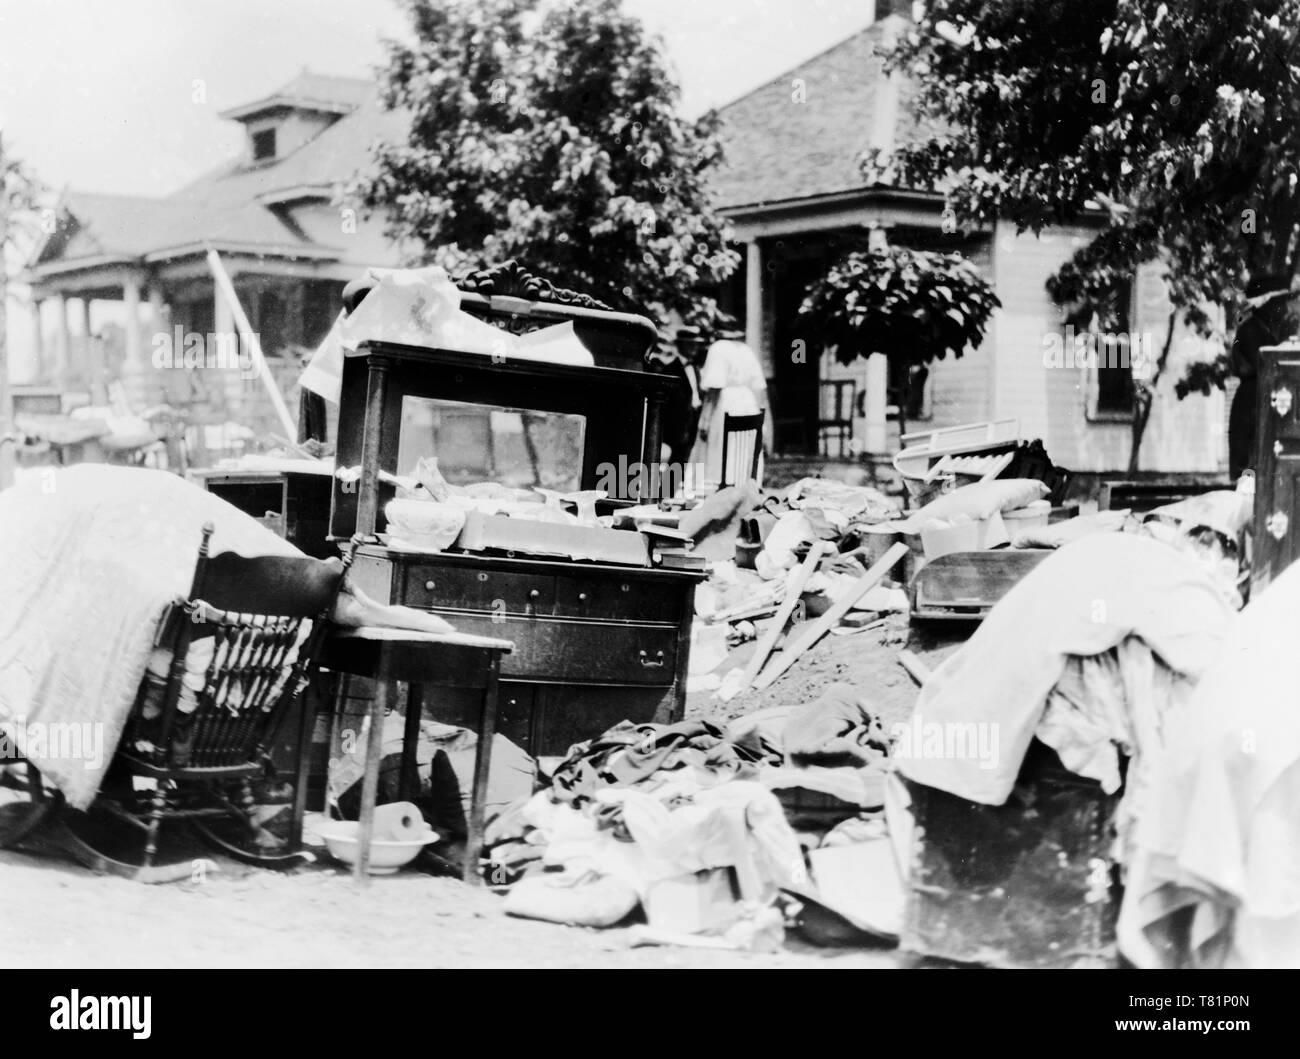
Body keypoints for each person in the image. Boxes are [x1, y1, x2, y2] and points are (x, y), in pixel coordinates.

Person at [1228, 273, 1296, 480]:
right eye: (1280, 304)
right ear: (1266, 305)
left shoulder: (1273, 330)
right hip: (1251, 406)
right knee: (1250, 469)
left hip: (1265, 403)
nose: (1284, 310)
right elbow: (1268, 367)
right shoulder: (1249, 331)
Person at [692, 330, 773, 487]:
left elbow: (715, 386)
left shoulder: (718, 348)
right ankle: (743, 484)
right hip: (748, 404)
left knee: (719, 449)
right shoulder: (746, 350)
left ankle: (719, 486)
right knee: (742, 449)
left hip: (725, 403)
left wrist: (705, 419)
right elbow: (759, 388)